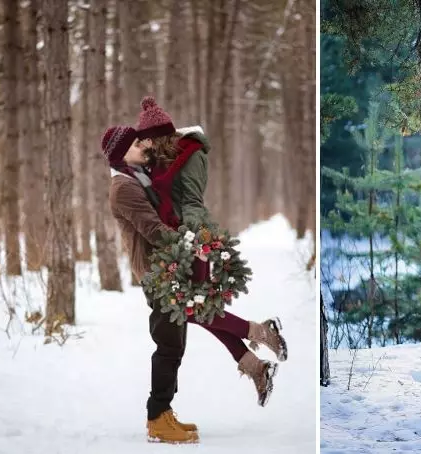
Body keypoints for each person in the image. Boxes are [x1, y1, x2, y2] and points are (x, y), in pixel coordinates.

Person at [134, 96, 288, 406]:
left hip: (191, 242)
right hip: (173, 246)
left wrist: (200, 241)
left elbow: (192, 202)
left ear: (161, 136)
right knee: (195, 311)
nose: (145, 146)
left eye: (148, 140)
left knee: (194, 310)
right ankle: (258, 362)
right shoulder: (161, 160)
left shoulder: (190, 155)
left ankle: (260, 335)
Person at [104, 125, 198, 444]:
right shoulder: (124, 188)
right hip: (155, 271)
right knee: (168, 343)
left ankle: (166, 411)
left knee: (177, 342)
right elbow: (153, 230)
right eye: (135, 143)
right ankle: (157, 418)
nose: (143, 145)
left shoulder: (137, 176)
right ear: (121, 154)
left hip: (166, 267)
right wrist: (189, 241)